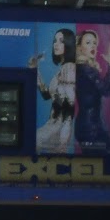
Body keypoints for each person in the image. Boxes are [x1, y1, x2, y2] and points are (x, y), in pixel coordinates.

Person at [30, 27, 77, 155]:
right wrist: (35, 70)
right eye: (55, 40)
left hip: (57, 130)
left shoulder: (69, 69)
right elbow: (46, 95)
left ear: (68, 43)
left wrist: (63, 142)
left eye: (61, 41)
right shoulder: (62, 70)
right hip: (52, 127)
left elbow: (69, 112)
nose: (56, 44)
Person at [73, 28, 110, 152]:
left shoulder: (83, 68)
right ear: (80, 48)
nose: (93, 46)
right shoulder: (86, 69)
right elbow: (106, 90)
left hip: (89, 126)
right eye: (88, 42)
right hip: (91, 129)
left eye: (94, 42)